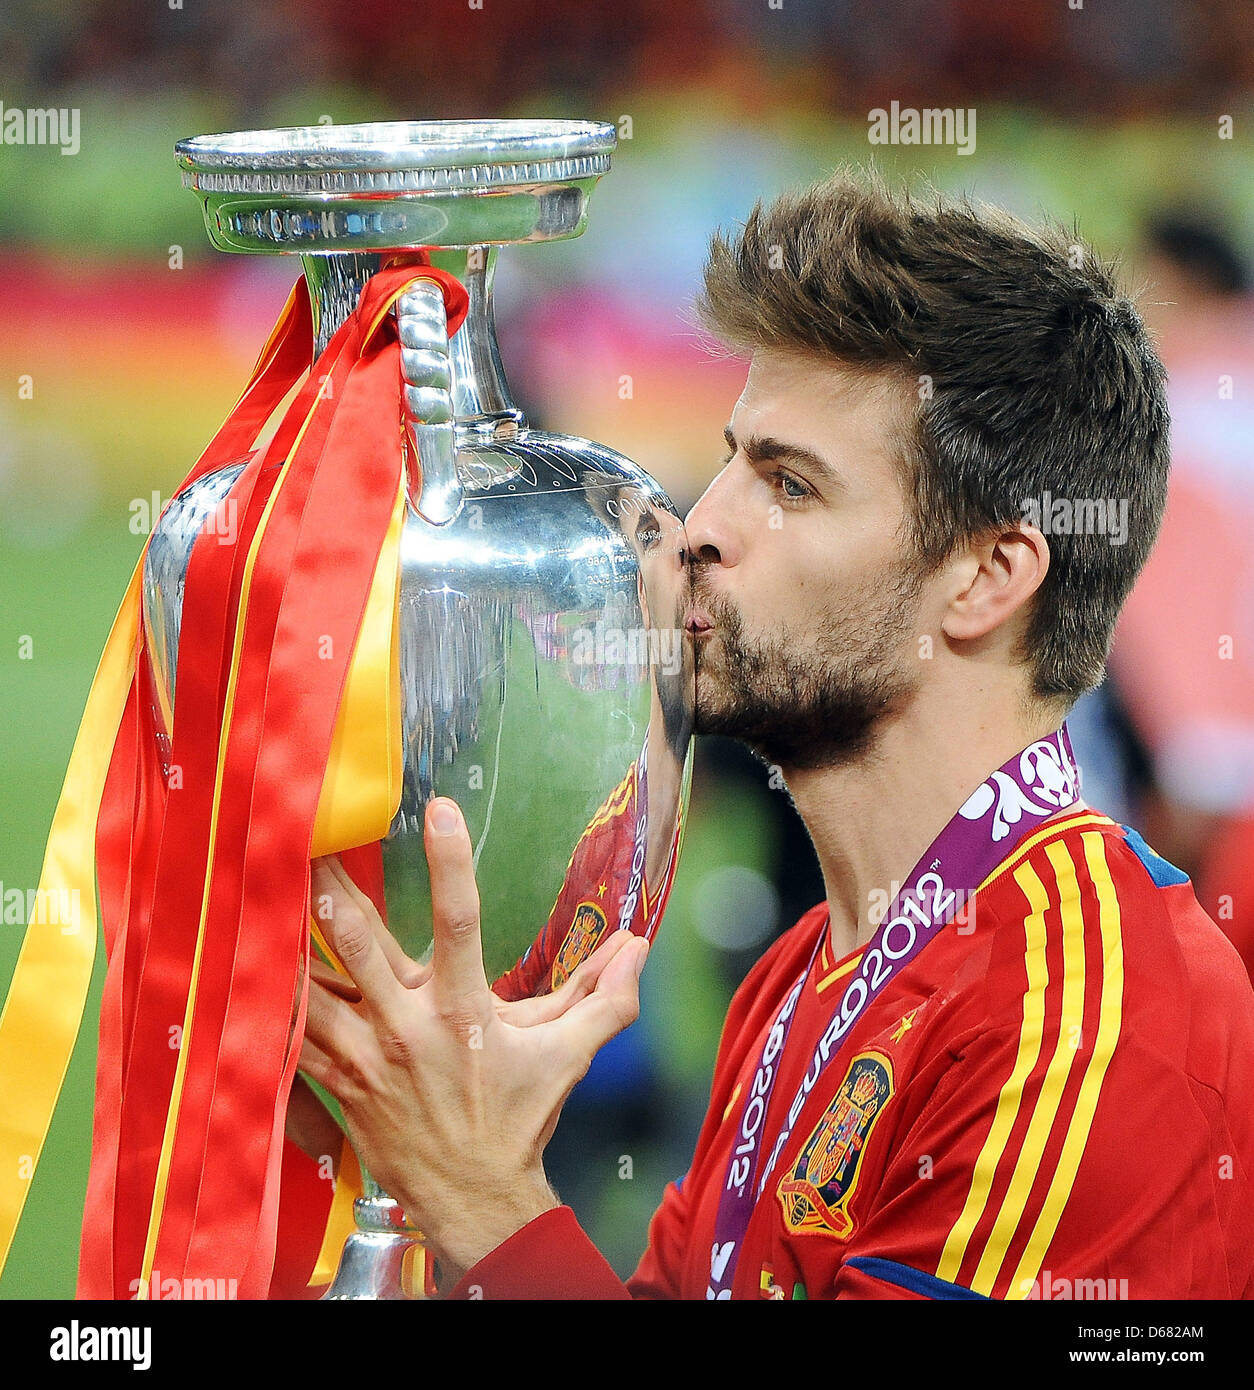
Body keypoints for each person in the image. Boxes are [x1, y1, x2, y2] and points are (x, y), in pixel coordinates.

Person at [293, 170, 1254, 1300]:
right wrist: (415, 1191)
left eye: (790, 484)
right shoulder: (808, 973)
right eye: (734, 459)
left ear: (988, 577)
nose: (700, 529)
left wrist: (487, 1199)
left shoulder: (1086, 1017)